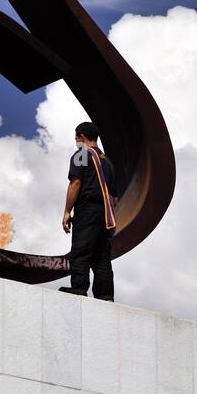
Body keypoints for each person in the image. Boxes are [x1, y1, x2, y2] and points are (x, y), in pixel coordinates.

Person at [61, 120, 118, 301]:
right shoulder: (107, 162)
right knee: (101, 255)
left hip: (88, 209)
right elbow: (115, 197)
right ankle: (105, 295)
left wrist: (67, 211)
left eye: (76, 138)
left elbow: (75, 182)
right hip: (106, 214)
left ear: (82, 137)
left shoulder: (82, 154)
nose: (76, 142)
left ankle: (78, 288)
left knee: (81, 249)